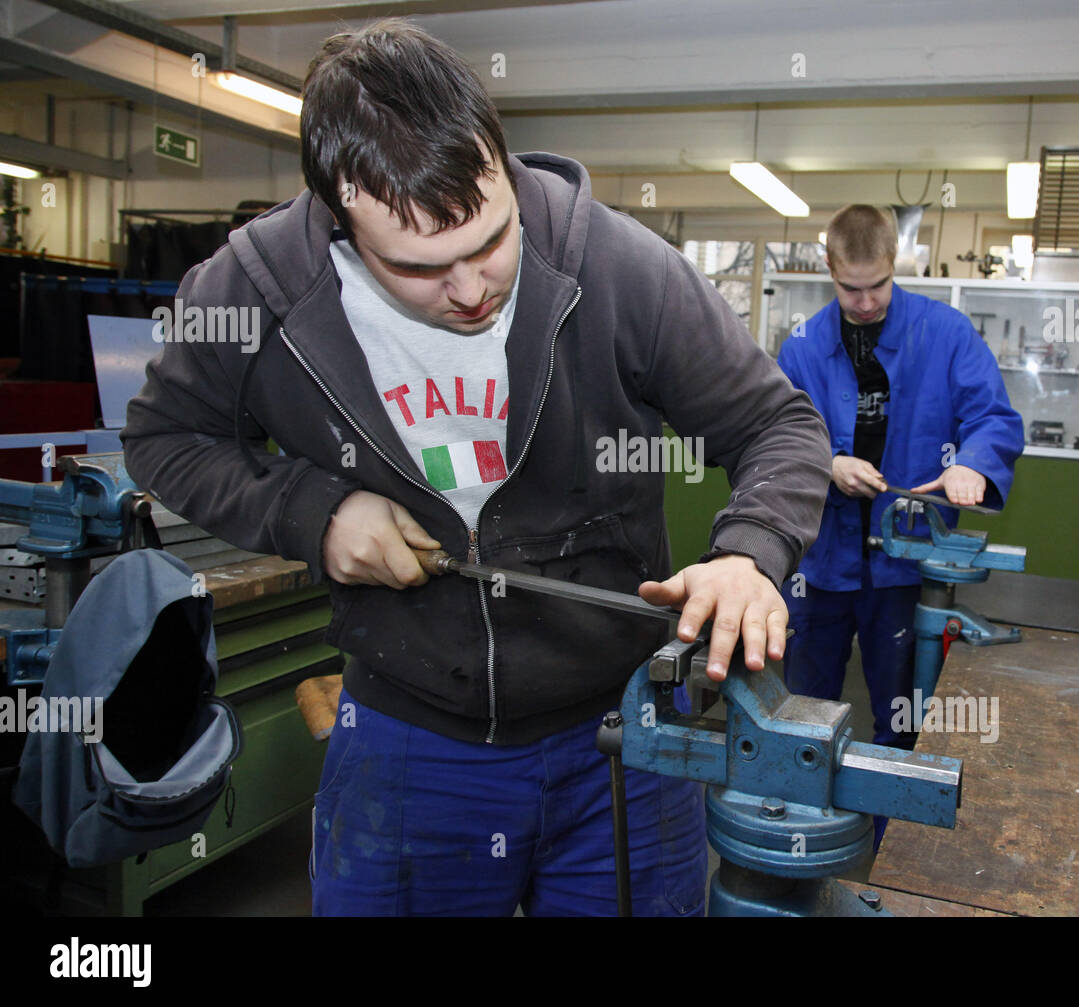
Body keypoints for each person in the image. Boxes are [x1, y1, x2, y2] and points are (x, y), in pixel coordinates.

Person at [121, 20, 831, 916]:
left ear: (498, 157)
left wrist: (750, 551)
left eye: (491, 242)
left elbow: (779, 423)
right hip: (409, 739)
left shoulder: (613, 267)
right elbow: (163, 439)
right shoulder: (255, 291)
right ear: (342, 224)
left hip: (618, 731)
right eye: (420, 268)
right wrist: (318, 513)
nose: (471, 290)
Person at [776, 204, 1022, 768]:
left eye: (878, 286)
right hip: (821, 563)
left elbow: (993, 417)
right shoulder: (804, 346)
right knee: (802, 713)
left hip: (907, 567)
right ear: (828, 267)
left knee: (904, 718)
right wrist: (829, 464)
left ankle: (895, 846)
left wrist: (972, 465)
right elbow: (780, 436)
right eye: (849, 289)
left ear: (895, 262)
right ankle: (800, 826)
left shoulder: (947, 334)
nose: (865, 303)